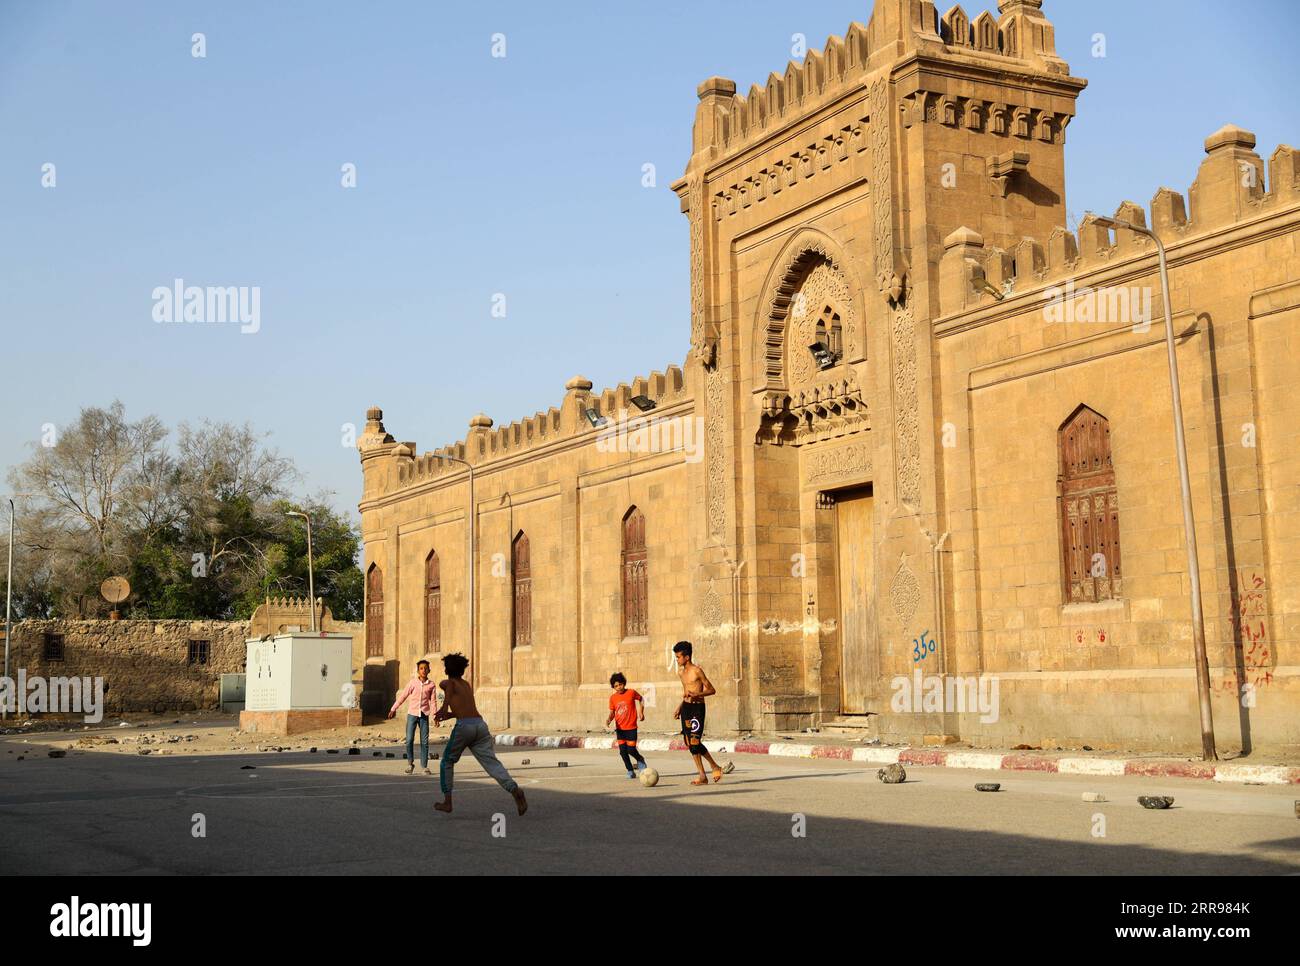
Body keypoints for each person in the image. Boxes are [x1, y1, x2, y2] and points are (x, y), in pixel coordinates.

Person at [432, 652, 527, 816]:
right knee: (492, 763)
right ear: (463, 670)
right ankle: (514, 789)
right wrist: (450, 714)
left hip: (464, 728)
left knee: (447, 761)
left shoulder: (449, 683)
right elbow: (465, 707)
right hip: (480, 726)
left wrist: (443, 708)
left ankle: (447, 802)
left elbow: (447, 691)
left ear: (447, 669)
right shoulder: (466, 685)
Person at [672, 641, 723, 785]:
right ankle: (702, 775)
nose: (677, 660)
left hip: (697, 709)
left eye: (678, 657)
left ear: (687, 657)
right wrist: (679, 708)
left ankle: (714, 766)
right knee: (689, 743)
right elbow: (685, 694)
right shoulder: (681, 673)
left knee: (695, 741)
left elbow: (712, 689)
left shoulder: (697, 671)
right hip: (686, 709)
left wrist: (697, 694)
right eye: (676, 657)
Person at [387, 659, 437, 775]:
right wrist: (393, 709)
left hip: (424, 715)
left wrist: (435, 717)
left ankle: (424, 766)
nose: (423, 670)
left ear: (429, 670)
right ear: (418, 670)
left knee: (424, 742)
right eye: (421, 668)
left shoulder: (431, 685)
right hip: (412, 715)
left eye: (425, 668)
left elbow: (433, 702)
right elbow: (403, 696)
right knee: (409, 740)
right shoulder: (412, 683)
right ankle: (410, 764)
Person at [605, 672, 648, 778]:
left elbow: (641, 699)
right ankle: (630, 771)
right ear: (613, 687)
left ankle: (640, 759)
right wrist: (609, 720)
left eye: (620, 684)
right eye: (615, 686)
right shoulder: (613, 698)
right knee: (623, 752)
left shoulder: (631, 692)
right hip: (620, 729)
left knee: (631, 750)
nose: (618, 687)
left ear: (624, 683)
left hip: (631, 727)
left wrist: (641, 712)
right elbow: (612, 712)